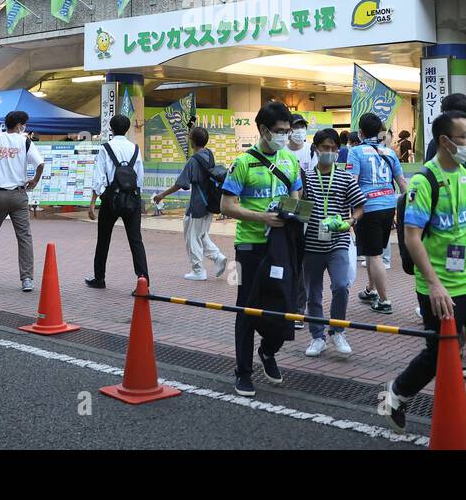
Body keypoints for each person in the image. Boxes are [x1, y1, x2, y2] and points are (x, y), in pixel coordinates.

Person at [383, 113, 466, 448]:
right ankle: (396, 395)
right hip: (439, 288)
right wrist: (433, 284)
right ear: (445, 141)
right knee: (439, 354)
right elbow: (413, 237)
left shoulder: (462, 174)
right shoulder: (424, 181)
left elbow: (465, 227)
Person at [220, 101, 303, 396]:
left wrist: (290, 214)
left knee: (284, 305)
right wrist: (261, 217)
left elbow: (296, 198)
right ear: (264, 130)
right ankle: (243, 372)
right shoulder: (242, 164)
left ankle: (268, 351)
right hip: (247, 248)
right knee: (245, 307)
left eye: (287, 130)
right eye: (280, 131)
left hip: (279, 247)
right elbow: (226, 205)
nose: (285, 135)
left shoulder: (289, 161)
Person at [301, 128, 364, 357]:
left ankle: (337, 330)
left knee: (341, 286)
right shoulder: (305, 178)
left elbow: (359, 206)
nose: (329, 152)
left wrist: (351, 220)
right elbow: (297, 207)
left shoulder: (345, 177)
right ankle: (317, 337)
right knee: (312, 294)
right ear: (316, 149)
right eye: (325, 148)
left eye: (333, 148)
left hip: (338, 242)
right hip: (311, 245)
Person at [0, 112, 44, 291]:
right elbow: (40, 164)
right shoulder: (26, 141)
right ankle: (27, 279)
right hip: (19, 195)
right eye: (24, 125)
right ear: (20, 125)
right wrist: (34, 180)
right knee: (24, 238)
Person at [345, 112, 407, 313]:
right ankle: (370, 289)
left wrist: (349, 211)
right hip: (389, 206)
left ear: (360, 133)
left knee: (374, 255)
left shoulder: (356, 152)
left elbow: (351, 183)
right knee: (375, 251)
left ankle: (384, 300)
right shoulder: (389, 152)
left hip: (368, 207)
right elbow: (402, 182)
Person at [152, 125, 228, 281]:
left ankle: (198, 270)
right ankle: (217, 257)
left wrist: (161, 195)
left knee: (192, 237)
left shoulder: (193, 161)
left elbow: (181, 183)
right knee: (201, 234)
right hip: (210, 203)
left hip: (197, 205)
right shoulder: (209, 154)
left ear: (192, 142)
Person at [85, 113, 147, 289]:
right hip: (132, 199)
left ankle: (99, 278)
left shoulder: (106, 148)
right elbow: (140, 177)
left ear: (111, 128)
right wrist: (136, 197)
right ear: (127, 129)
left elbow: (99, 178)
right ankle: (143, 280)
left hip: (111, 199)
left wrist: (92, 203)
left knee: (103, 239)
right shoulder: (135, 148)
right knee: (136, 240)